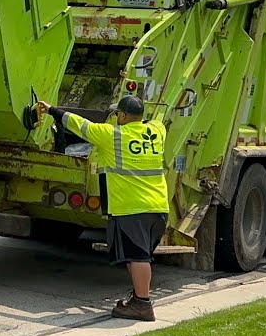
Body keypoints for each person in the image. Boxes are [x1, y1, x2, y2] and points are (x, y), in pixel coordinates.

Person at [36, 95, 169, 322]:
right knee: (137, 256)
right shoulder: (157, 131)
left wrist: (52, 110)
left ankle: (142, 305)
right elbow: (158, 120)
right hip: (158, 207)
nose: (116, 117)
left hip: (132, 207)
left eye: (117, 114)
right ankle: (138, 300)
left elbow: (79, 124)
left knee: (138, 257)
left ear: (123, 116)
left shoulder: (112, 135)